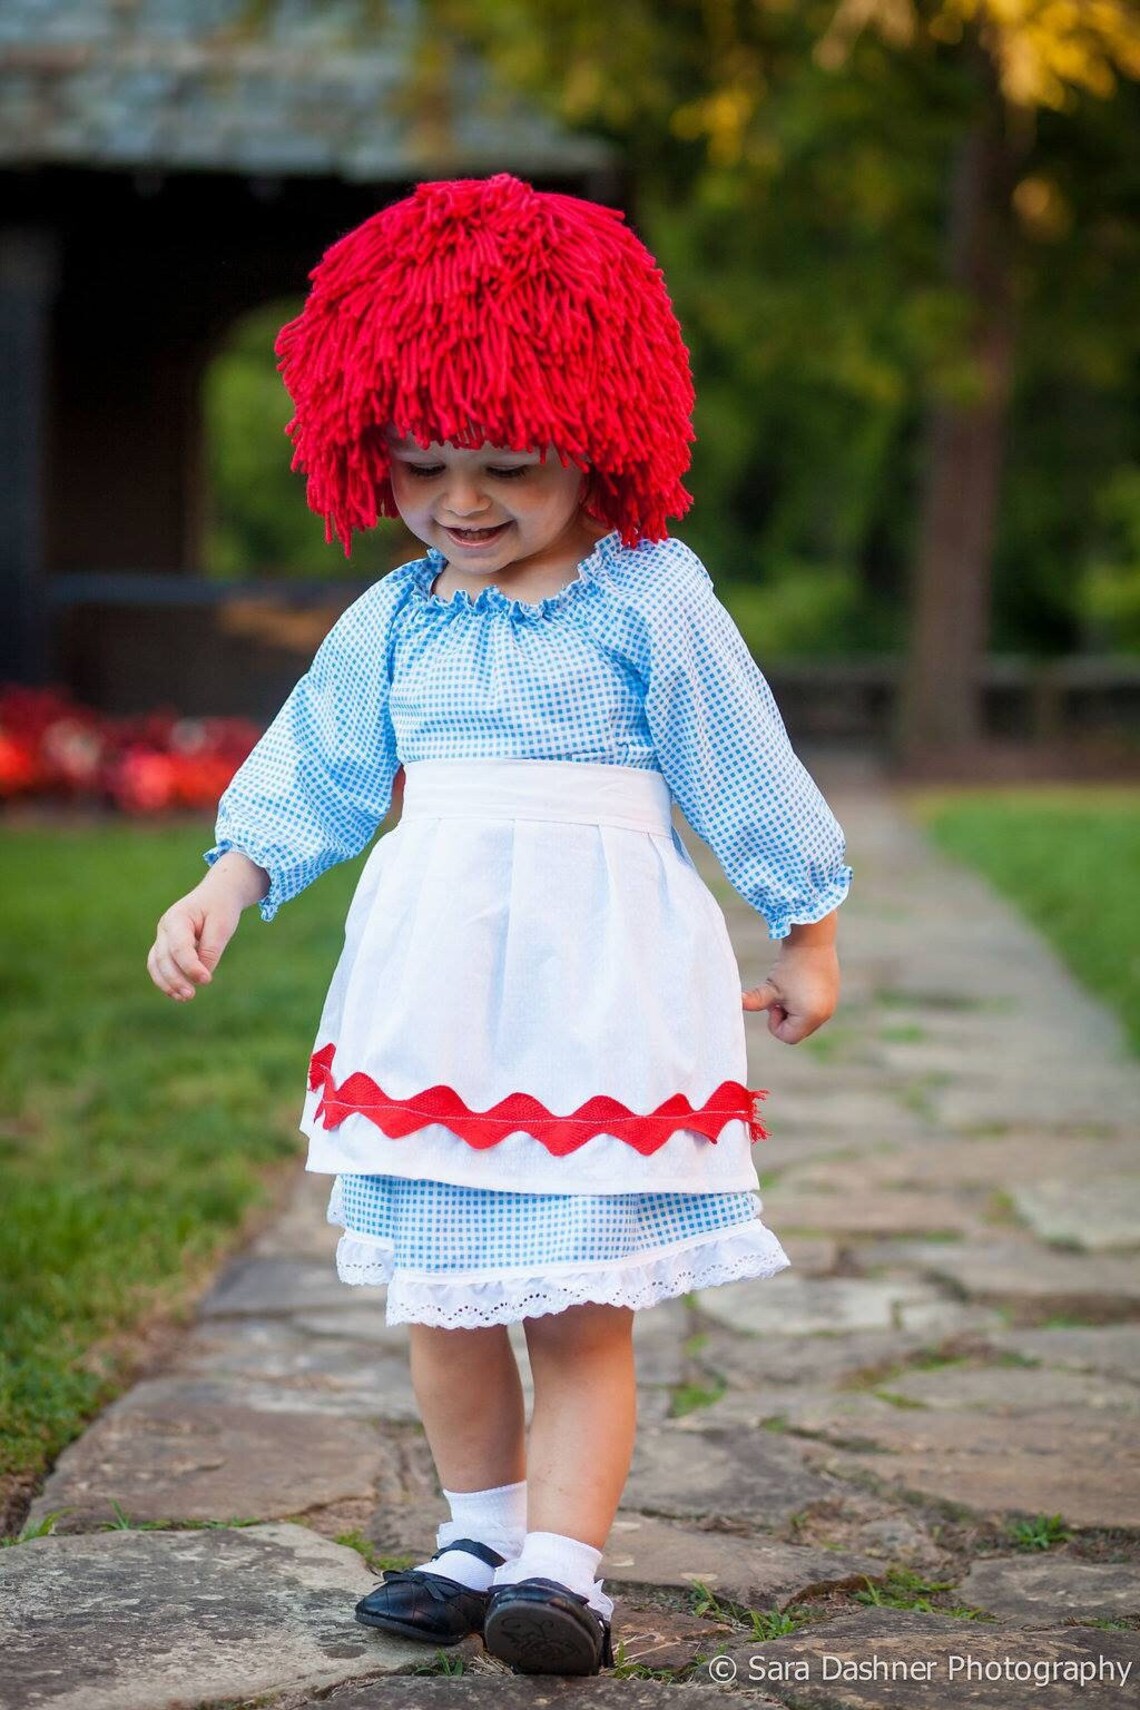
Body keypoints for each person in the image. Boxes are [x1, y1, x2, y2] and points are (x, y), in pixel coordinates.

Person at [147, 174, 851, 1678]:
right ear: (372, 453)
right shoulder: (401, 615)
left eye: (507, 467)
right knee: (447, 1291)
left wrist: (806, 924)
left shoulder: (646, 596)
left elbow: (739, 757)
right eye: (425, 467)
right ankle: (477, 1527)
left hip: (593, 995)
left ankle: (564, 1565)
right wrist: (230, 877)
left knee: (582, 1298)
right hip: (437, 1002)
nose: (461, 502)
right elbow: (319, 760)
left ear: (601, 440)